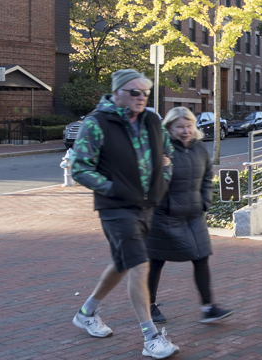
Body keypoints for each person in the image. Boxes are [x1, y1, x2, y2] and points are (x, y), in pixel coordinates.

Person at [68, 69, 179, 359]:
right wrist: (113, 189)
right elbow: (80, 167)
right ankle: (151, 337)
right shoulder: (96, 123)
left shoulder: (152, 120)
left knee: (122, 262)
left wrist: (163, 181)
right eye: (135, 92)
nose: (141, 97)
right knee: (139, 265)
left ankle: (86, 311)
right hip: (115, 208)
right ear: (118, 92)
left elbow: (168, 155)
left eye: (145, 92)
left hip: (146, 206)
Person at [146, 107, 233, 326]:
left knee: (201, 257)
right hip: (165, 215)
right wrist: (159, 167)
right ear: (169, 128)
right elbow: (149, 184)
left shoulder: (200, 148)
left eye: (189, 126)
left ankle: (208, 307)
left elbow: (206, 177)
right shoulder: (161, 150)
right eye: (180, 127)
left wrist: (205, 201)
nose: (185, 131)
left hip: (194, 214)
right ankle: (149, 306)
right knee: (156, 261)